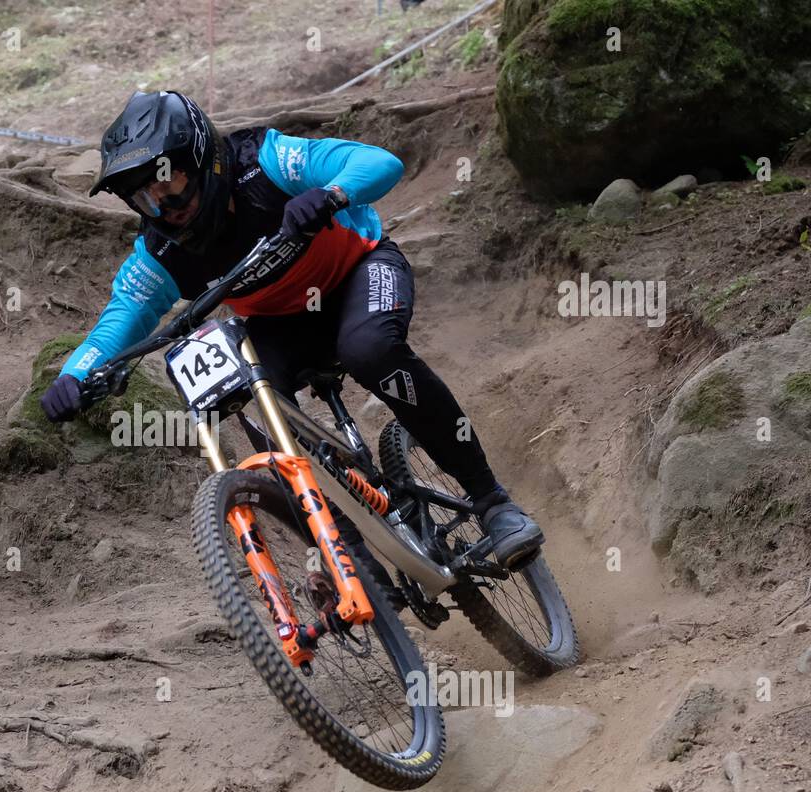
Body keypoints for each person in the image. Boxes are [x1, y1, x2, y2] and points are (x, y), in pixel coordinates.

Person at [39, 90, 542, 568]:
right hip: (277, 325)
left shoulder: (265, 162)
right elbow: (121, 319)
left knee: (370, 349)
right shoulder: (161, 252)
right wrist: (73, 376)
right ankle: (351, 559)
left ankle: (493, 503)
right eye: (145, 199)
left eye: (170, 184)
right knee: (259, 419)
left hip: (358, 273)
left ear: (203, 159)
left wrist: (330, 194)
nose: (166, 208)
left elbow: (380, 163)